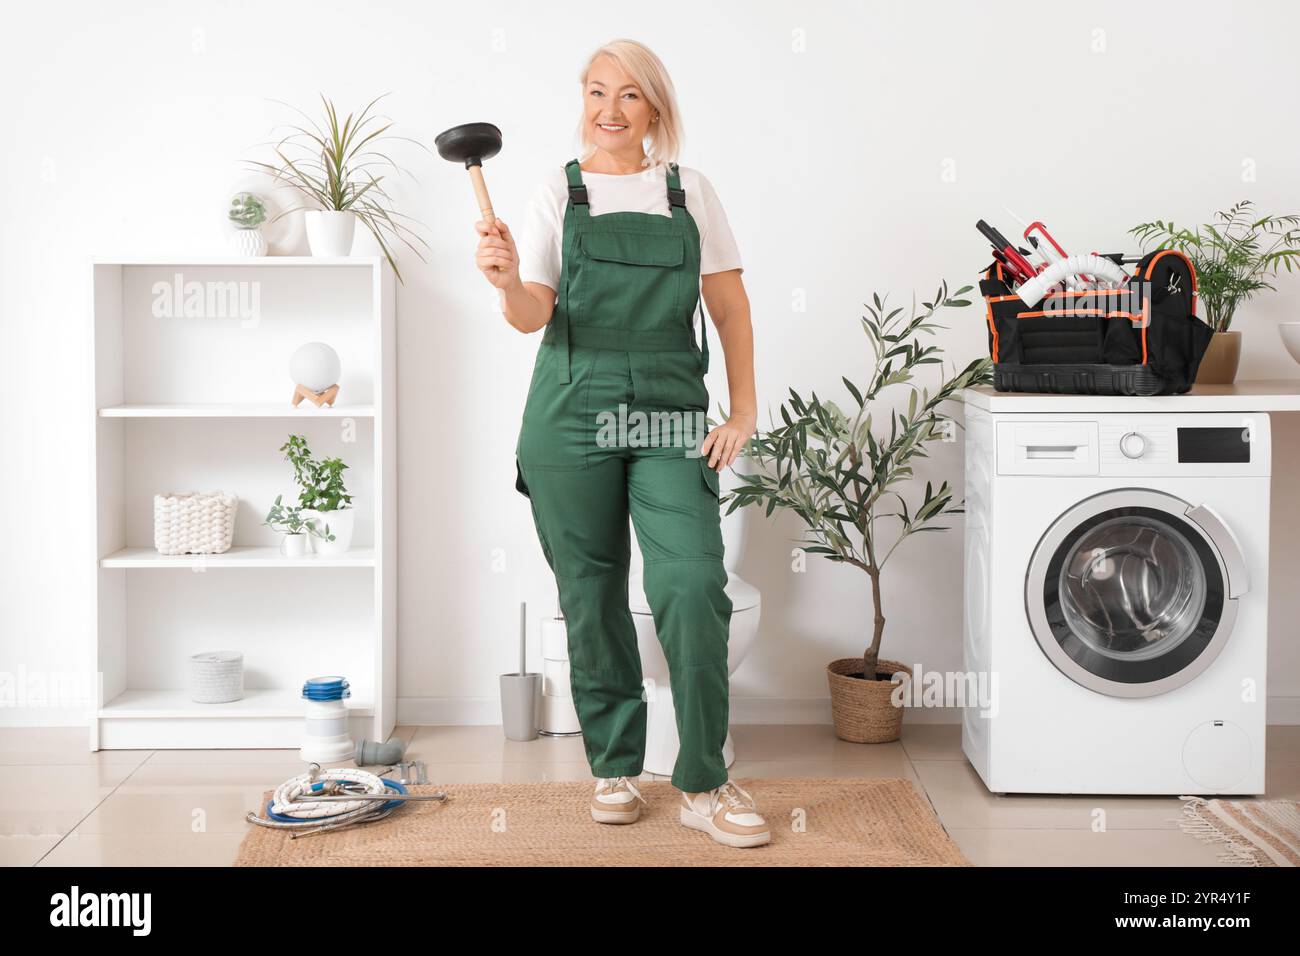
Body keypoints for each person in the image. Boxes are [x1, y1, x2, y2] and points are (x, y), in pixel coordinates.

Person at [474, 39, 765, 849]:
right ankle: (615, 766)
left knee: (690, 580)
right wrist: (503, 281)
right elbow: (534, 315)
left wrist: (741, 412)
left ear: (655, 111)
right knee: (590, 589)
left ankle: (704, 780)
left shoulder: (689, 192)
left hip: (670, 413)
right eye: (597, 92)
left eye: (629, 95)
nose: (609, 110)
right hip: (570, 409)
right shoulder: (553, 195)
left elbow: (732, 310)